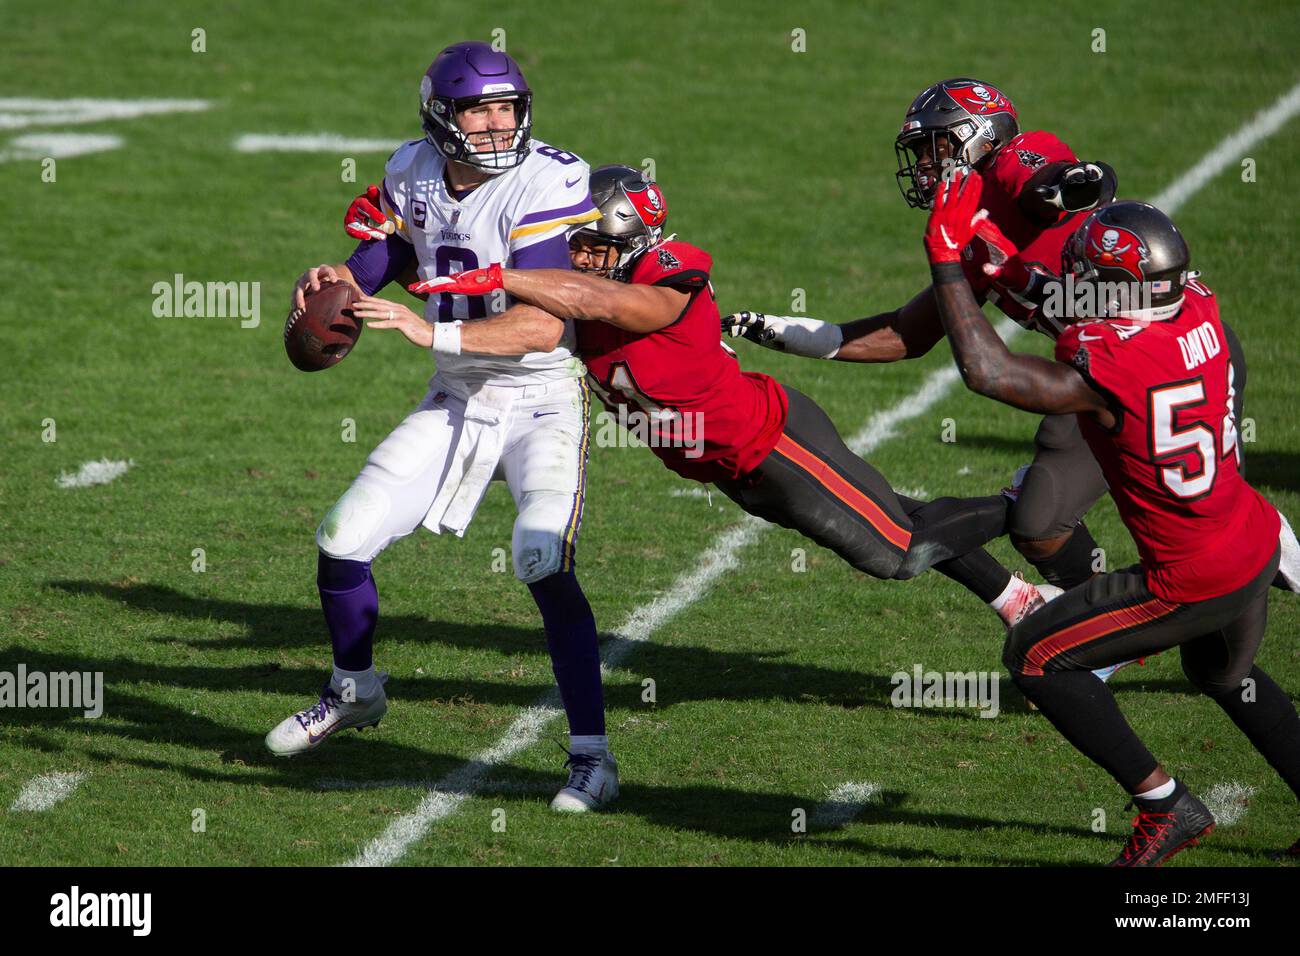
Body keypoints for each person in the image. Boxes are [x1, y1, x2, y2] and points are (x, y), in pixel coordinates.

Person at [361, 164, 1058, 625]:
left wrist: (500, 277)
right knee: (896, 517)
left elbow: (592, 296)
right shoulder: (579, 291)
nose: (571, 255)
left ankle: (1024, 500)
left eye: (587, 243)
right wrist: (392, 239)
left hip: (773, 443)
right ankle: (1017, 597)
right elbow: (490, 300)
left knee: (896, 551)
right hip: (729, 468)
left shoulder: (668, 281)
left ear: (627, 240)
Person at [266, 41, 617, 814]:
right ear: (439, 116)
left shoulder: (549, 178)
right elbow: (394, 245)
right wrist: (340, 281)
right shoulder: (412, 168)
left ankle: (591, 754)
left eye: (507, 107)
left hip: (538, 398)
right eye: (478, 109)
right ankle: (354, 689)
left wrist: (428, 334)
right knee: (342, 536)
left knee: (539, 556)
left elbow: (538, 323)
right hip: (457, 398)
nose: (497, 125)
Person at [922, 176, 1300, 865]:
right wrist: (1007, 268)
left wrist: (946, 257)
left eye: (1090, 277)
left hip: (1191, 574)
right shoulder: (1200, 308)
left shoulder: (1109, 360)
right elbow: (1090, 309)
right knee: (1222, 677)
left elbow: (987, 371)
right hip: (1253, 537)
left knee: (1035, 656)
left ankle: (1166, 806)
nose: (1079, 285)